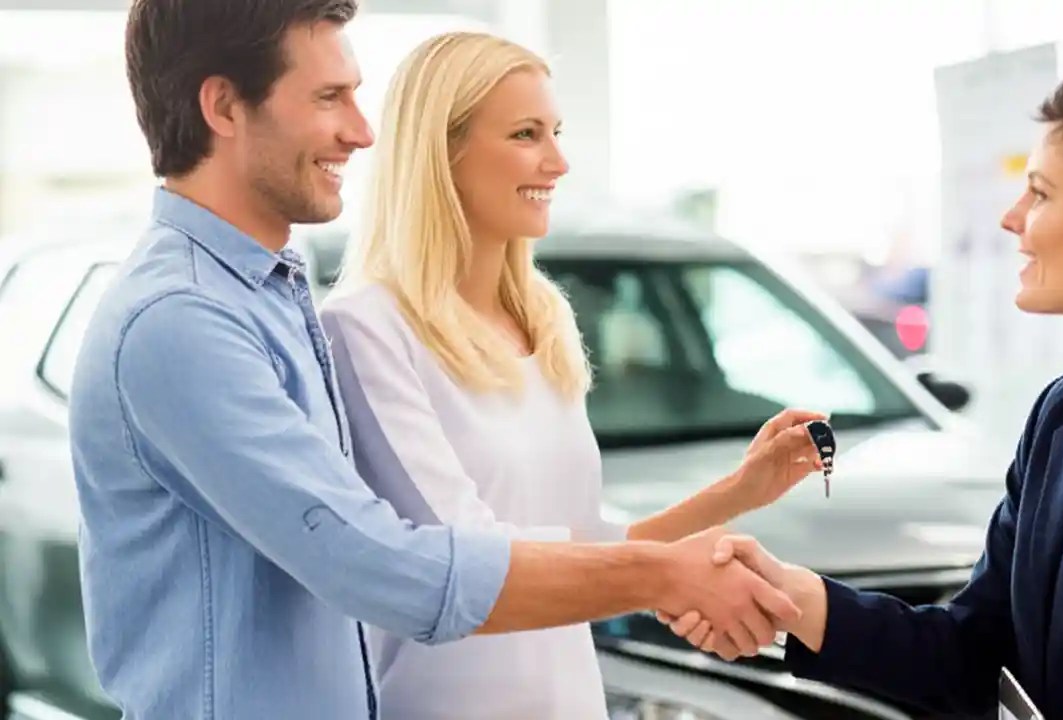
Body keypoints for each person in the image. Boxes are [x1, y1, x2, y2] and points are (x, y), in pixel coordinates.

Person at [68, 3, 816, 719]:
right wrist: (664, 574)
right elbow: (382, 566)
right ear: (224, 107)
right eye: (329, 97)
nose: (362, 132)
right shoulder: (184, 321)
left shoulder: (269, 296)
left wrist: (720, 511)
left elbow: (541, 547)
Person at [663, 64, 1063, 719]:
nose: (1013, 219)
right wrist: (791, 597)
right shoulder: (1061, 418)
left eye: (1040, 193)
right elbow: (974, 650)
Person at [318, 31, 827, 719]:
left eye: (555, 133)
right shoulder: (367, 328)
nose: (557, 163)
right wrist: (672, 578)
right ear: (442, 152)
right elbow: (472, 567)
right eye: (526, 134)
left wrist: (740, 491)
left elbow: (588, 550)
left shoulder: (541, 315)